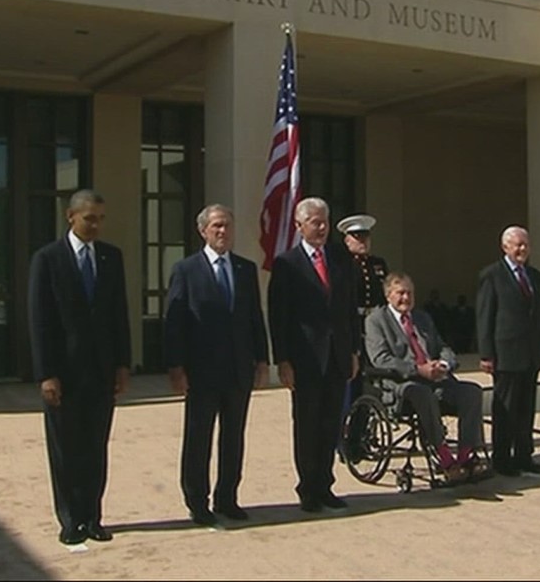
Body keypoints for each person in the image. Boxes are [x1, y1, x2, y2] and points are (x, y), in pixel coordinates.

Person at [27, 189, 131, 546]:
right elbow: (39, 321)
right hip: (64, 375)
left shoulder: (111, 258)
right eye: (89, 218)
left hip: (101, 373)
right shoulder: (48, 259)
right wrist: (46, 373)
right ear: (70, 217)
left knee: (95, 447)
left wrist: (122, 364)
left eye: (101, 218)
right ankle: (70, 519)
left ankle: (93, 516)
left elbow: (120, 315)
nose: (96, 225)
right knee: (66, 449)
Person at [163, 204, 269, 528]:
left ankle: (228, 497)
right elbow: (175, 323)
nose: (223, 232)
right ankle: (197, 500)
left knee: (233, 437)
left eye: (227, 226)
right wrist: (176, 367)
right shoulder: (186, 270)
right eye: (217, 226)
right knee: (199, 438)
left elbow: (254, 318)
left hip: (238, 369)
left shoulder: (244, 269)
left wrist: (262, 360)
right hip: (202, 372)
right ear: (203, 231)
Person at [268, 197, 361, 513]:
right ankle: (307, 488)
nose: (321, 228)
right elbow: (279, 316)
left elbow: (349, 309)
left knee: (330, 423)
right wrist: (283, 360)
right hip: (305, 358)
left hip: (337, 355)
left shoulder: (339, 259)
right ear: (299, 226)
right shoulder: (287, 264)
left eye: (324, 222)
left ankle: (325, 485)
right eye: (315, 222)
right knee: (307, 425)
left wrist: (353, 350)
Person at [364, 273, 488, 482]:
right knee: (422, 393)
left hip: (436, 379)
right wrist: (418, 369)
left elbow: (442, 346)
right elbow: (381, 359)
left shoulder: (422, 318)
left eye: (410, 293)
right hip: (402, 384)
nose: (406, 298)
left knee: (471, 392)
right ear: (388, 296)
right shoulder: (376, 321)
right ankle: (445, 458)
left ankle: (466, 456)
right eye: (401, 293)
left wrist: (444, 364)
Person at [475, 225, 540, 478]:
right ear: (505, 247)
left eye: (525, 245)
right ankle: (502, 458)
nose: (522, 249)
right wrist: (486, 354)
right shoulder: (492, 275)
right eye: (517, 245)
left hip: (531, 353)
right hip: (505, 353)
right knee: (506, 408)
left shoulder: (535, 276)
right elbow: (485, 316)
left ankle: (523, 455)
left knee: (526, 407)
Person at [335, 213, 389, 461]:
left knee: (370, 385)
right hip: (352, 326)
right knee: (350, 386)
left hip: (374, 328)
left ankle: (363, 436)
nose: (363, 241)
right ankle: (343, 440)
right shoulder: (341, 264)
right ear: (346, 239)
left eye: (365, 236)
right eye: (357, 237)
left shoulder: (378, 264)